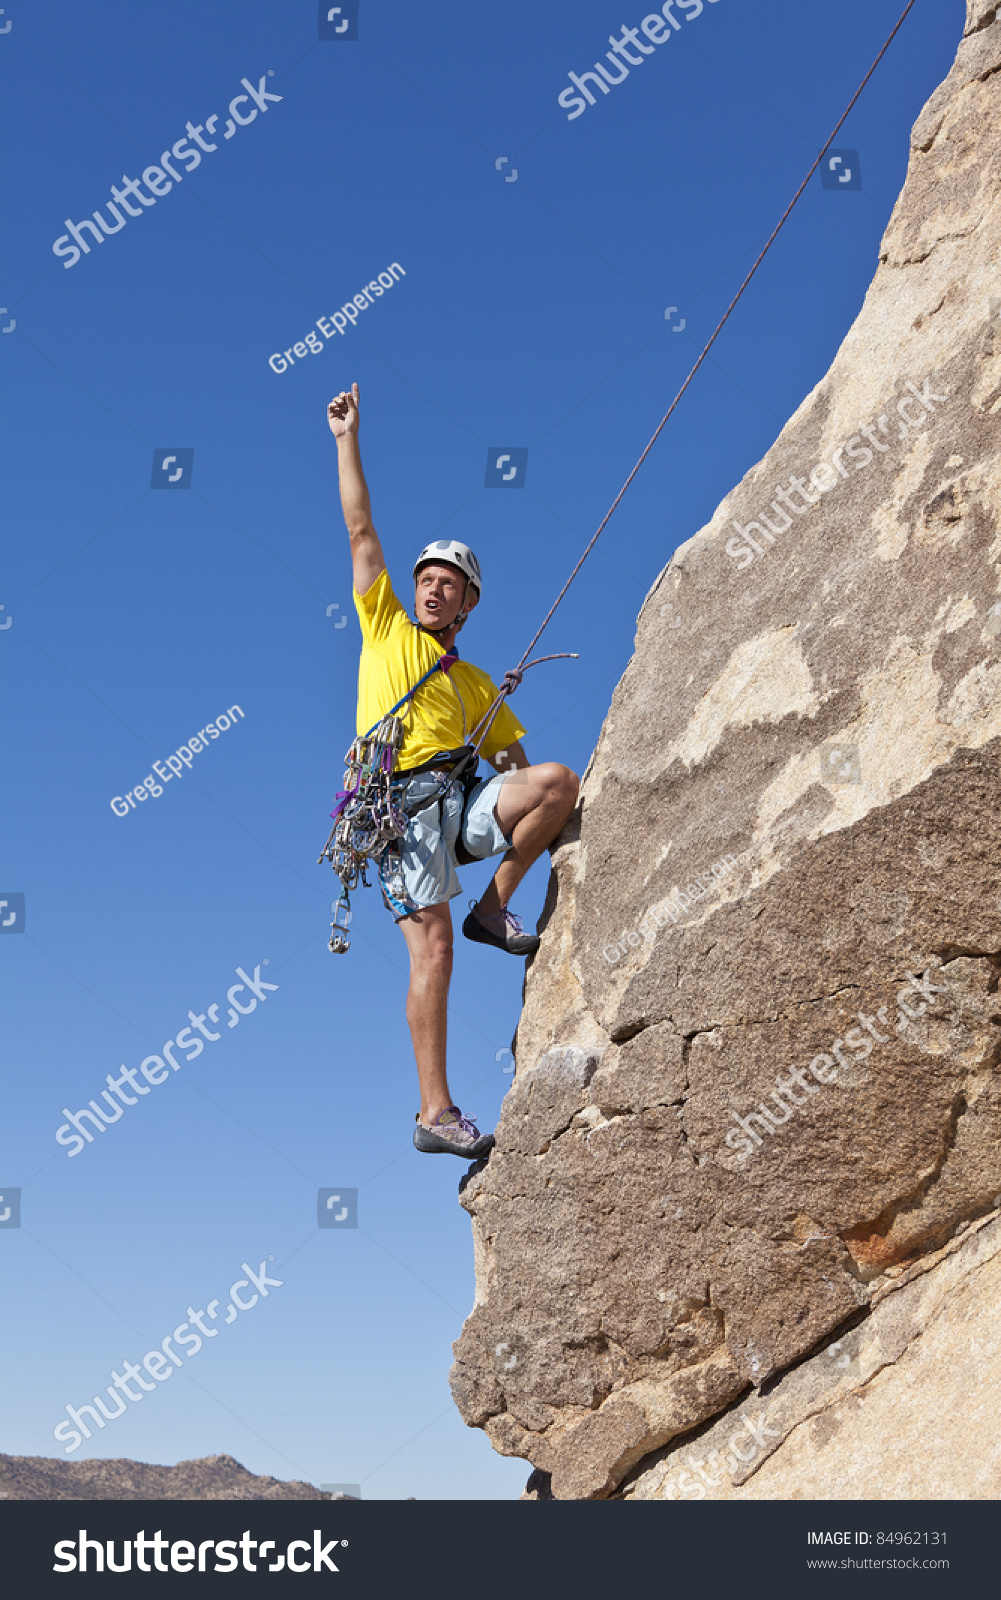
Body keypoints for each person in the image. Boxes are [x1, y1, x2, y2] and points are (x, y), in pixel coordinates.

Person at [327, 384, 579, 1159]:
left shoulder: (477, 688)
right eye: (427, 579)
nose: (433, 588)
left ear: (467, 605)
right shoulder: (385, 628)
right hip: (399, 807)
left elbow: (519, 772)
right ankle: (433, 1113)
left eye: (449, 584)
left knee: (557, 782)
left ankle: (491, 911)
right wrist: (346, 438)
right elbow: (361, 527)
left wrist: (539, 823)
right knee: (429, 948)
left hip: (458, 803)